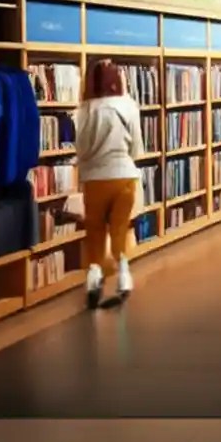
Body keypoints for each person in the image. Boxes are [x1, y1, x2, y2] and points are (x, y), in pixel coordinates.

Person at [76, 59, 144, 309]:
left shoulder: (84, 109)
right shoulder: (128, 106)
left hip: (94, 178)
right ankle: (124, 277)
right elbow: (136, 147)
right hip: (124, 175)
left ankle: (93, 278)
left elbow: (81, 150)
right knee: (119, 228)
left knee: (94, 231)